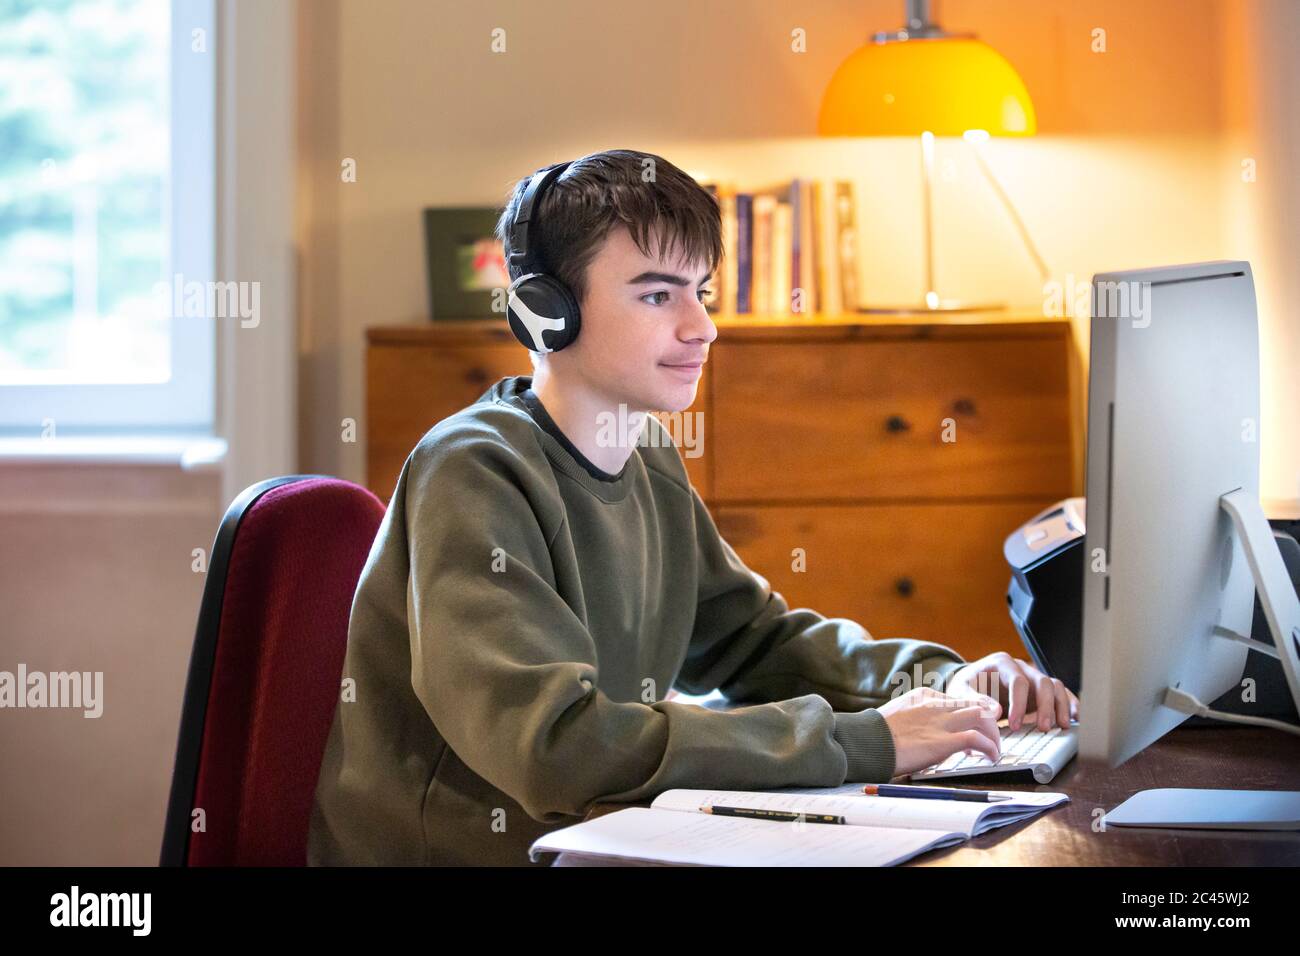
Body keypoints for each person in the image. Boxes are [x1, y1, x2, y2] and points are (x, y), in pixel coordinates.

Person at [307, 148, 1079, 866]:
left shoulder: (643, 449)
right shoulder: (476, 470)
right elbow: (554, 746)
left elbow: (751, 640)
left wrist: (940, 685)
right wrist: (863, 742)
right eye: (656, 294)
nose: (701, 327)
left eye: (699, 292)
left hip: (594, 835)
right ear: (546, 311)